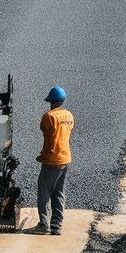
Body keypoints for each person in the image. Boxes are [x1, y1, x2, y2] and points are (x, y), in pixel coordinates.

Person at [26, 86, 74, 235]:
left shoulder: (49, 116)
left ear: (50, 101)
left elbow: (48, 139)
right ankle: (57, 225)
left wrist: (43, 156)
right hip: (65, 158)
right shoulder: (69, 115)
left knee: (44, 192)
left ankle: (43, 225)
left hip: (52, 160)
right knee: (59, 192)